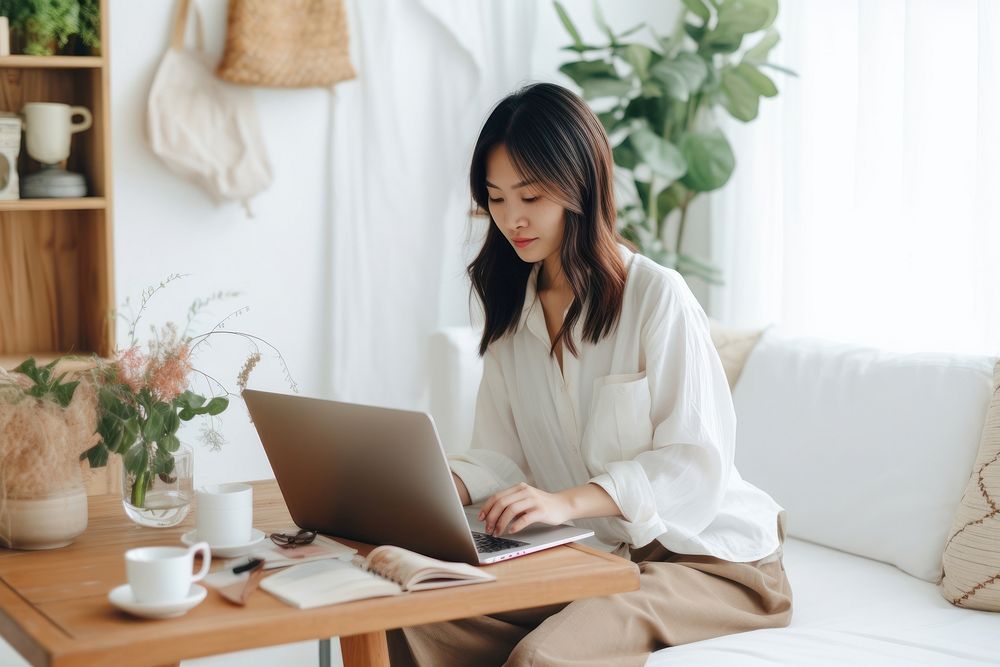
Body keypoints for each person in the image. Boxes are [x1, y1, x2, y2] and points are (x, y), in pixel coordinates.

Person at [388, 82, 792, 667]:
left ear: (579, 186)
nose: (511, 220)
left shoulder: (657, 296)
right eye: (496, 199)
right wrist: (432, 488)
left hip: (713, 559)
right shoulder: (512, 305)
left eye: (530, 197)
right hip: (603, 555)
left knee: (545, 656)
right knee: (414, 623)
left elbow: (692, 464)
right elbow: (501, 457)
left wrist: (567, 503)